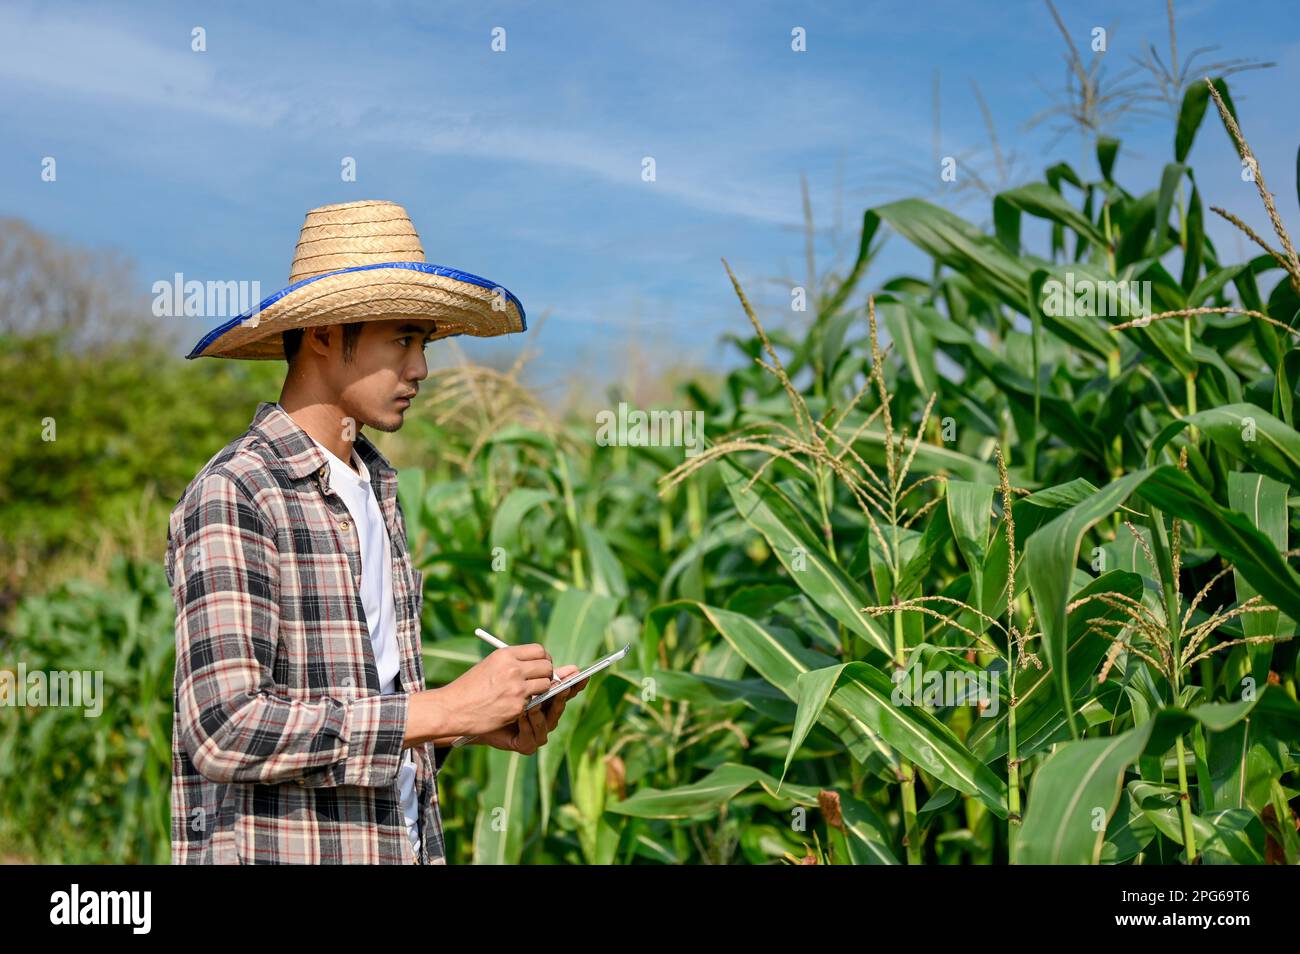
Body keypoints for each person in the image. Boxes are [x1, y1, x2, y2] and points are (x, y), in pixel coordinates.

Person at [165, 199, 587, 864]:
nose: (421, 368)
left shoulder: (376, 492)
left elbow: (368, 716)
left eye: (424, 344)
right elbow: (223, 727)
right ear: (326, 334)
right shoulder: (238, 492)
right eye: (403, 340)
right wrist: (442, 711)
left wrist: (473, 724)